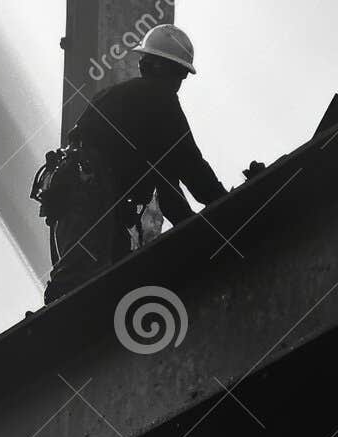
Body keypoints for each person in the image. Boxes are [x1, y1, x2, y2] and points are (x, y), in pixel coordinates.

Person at [37, 24, 228, 303]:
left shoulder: (119, 98)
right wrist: (228, 210)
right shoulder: (160, 103)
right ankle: (58, 332)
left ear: (145, 63)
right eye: (180, 75)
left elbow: (168, 185)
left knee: (105, 277)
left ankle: (60, 329)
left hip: (75, 192)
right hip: (88, 194)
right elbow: (193, 171)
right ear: (167, 70)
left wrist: (197, 228)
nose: (179, 84)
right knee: (84, 280)